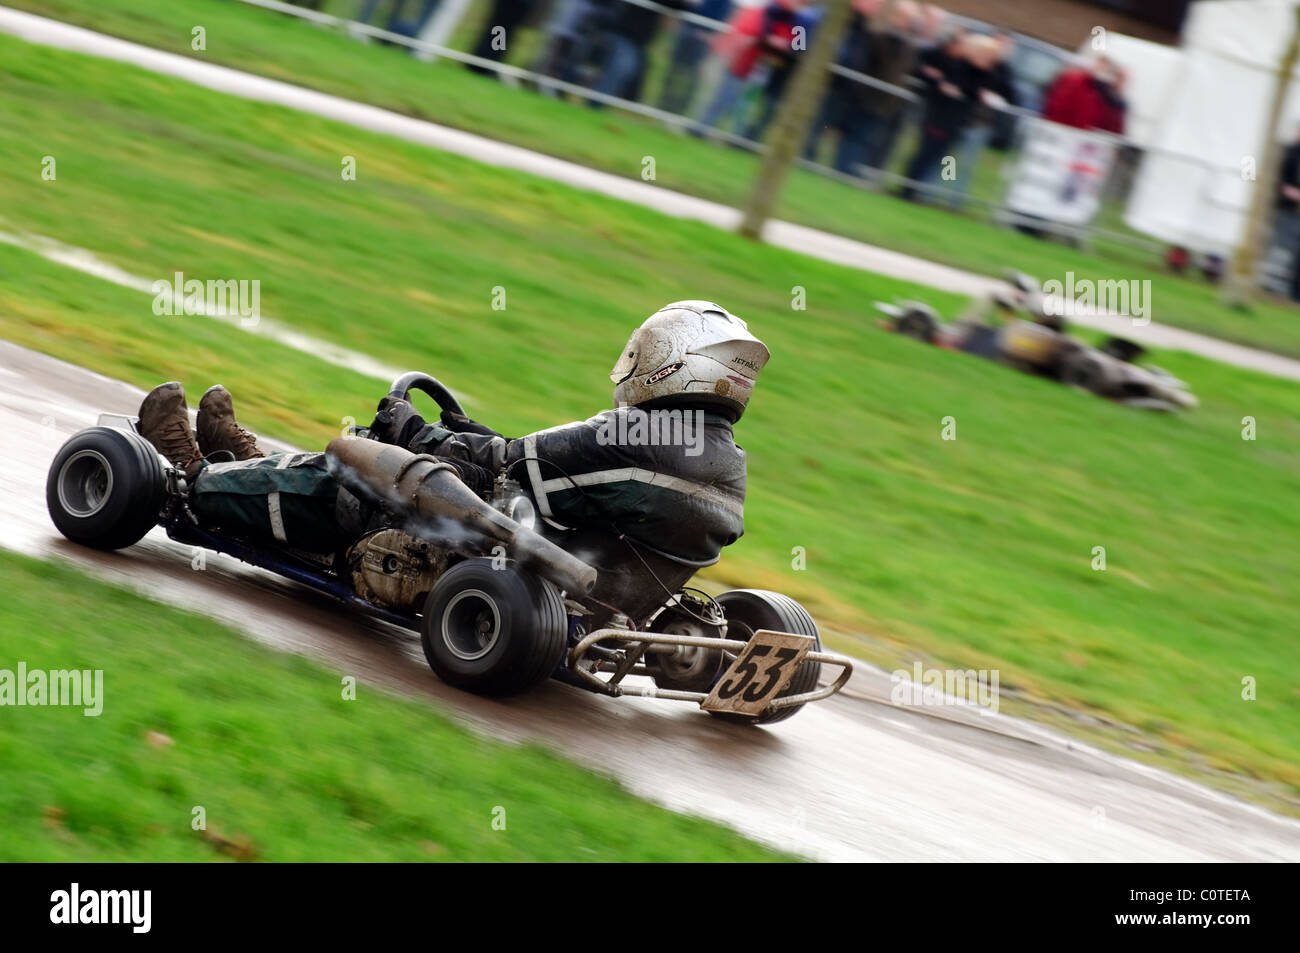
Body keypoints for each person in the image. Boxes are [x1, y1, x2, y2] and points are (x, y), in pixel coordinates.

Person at [135, 303, 770, 620]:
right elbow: (540, 472)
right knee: (432, 468)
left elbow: (509, 463)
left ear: (666, 364)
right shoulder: (722, 462)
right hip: (593, 592)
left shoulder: (631, 435)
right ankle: (240, 458)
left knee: (351, 473)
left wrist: (413, 427)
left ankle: (189, 479)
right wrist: (464, 430)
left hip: (488, 565)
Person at [899, 27, 977, 201]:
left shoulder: (968, 67)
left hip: (955, 122)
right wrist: (937, 80)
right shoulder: (942, 57)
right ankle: (909, 189)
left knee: (946, 160)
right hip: (939, 118)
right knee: (926, 154)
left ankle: (929, 192)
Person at [658, 0, 734, 116]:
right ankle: (663, 104)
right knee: (675, 70)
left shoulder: (725, 2)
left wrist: (709, 35)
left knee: (691, 76)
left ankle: (679, 110)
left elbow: (723, 18)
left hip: (702, 40)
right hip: (687, 33)